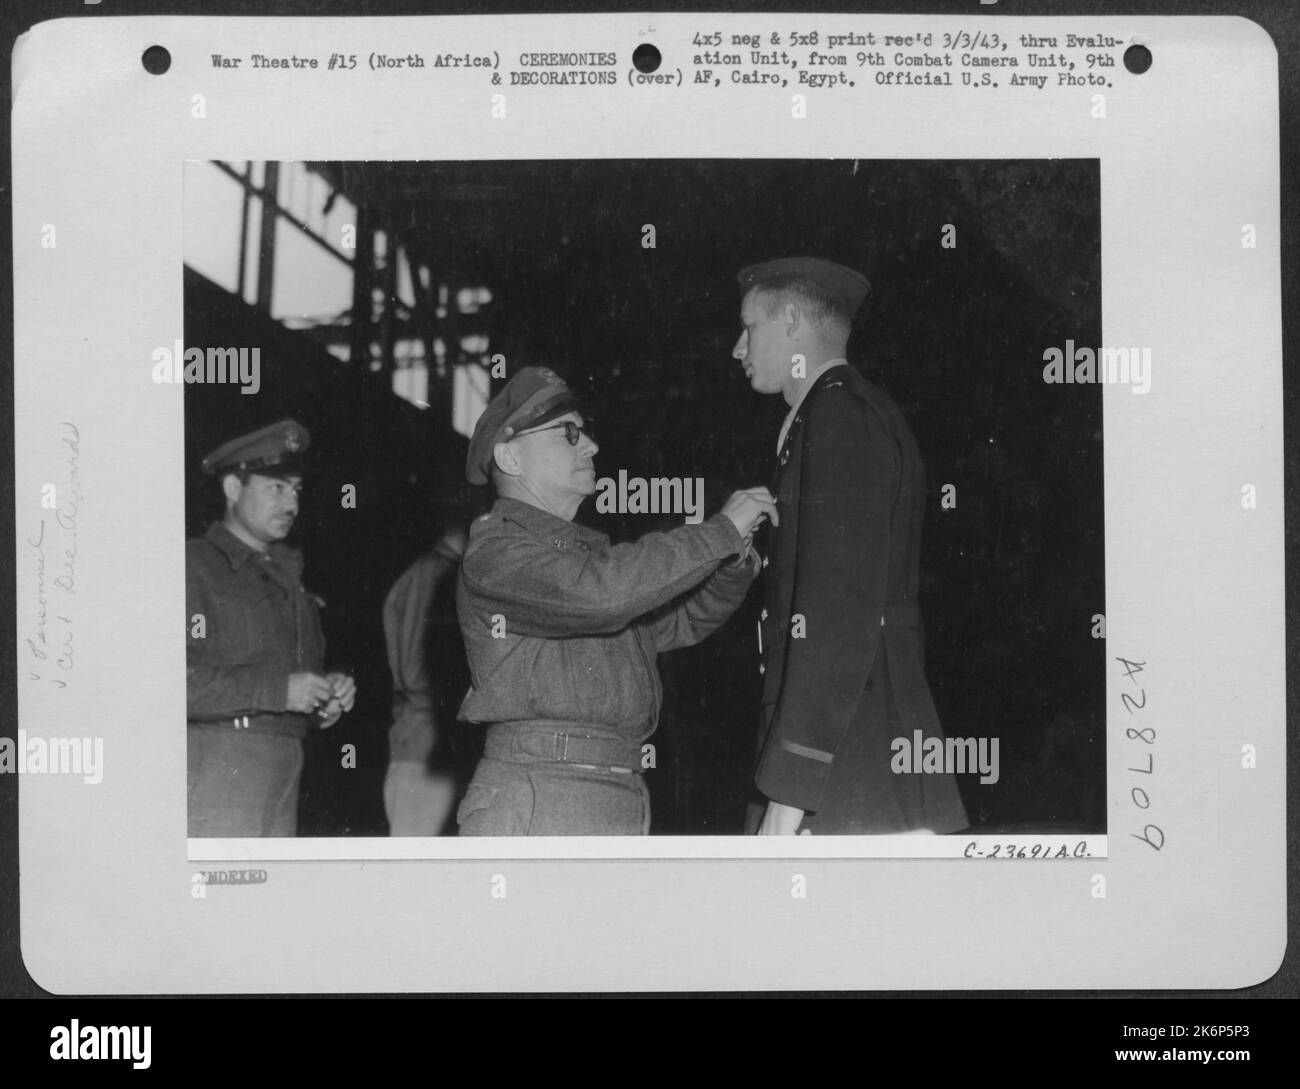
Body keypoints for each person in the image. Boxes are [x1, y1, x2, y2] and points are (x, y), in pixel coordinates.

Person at [455, 366, 776, 835]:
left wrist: (731, 559)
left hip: (615, 787)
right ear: (510, 457)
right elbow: (600, 594)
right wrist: (718, 533)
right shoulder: (497, 553)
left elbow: (680, 619)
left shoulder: (583, 556)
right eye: (569, 433)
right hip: (542, 792)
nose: (591, 446)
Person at [733, 257, 969, 835]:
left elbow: (836, 614)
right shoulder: (839, 414)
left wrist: (786, 802)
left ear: (791, 322)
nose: (737, 349)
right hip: (846, 750)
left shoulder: (836, 416)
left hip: (846, 760)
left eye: (749, 328)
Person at [186, 419, 357, 837]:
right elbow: (172, 684)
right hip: (220, 765)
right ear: (232, 489)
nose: (292, 503)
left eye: (296, 489)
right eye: (276, 487)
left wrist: (324, 698)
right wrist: (281, 691)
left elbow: (293, 682)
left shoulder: (289, 576)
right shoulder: (195, 568)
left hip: (284, 768)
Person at [382, 526, 468, 836]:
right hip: (423, 756)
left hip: (425, 753)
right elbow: (413, 672)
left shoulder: (438, 572)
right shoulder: (433, 576)